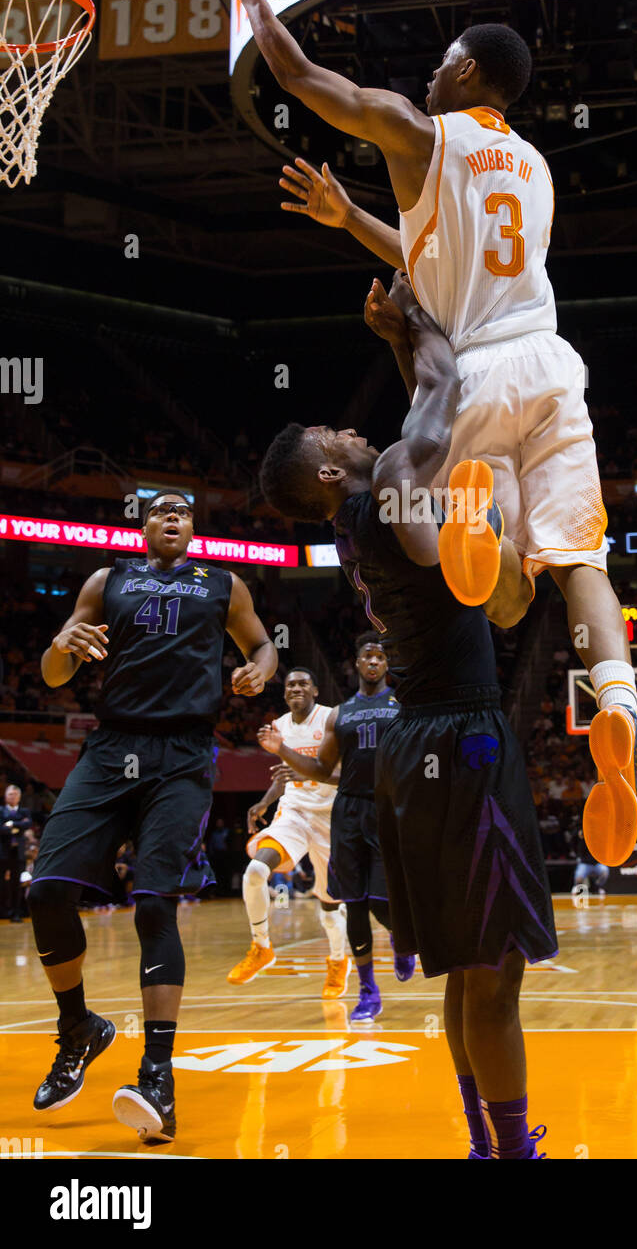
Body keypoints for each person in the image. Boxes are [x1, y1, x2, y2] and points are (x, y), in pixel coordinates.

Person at [222, 0, 637, 870]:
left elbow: (305, 78)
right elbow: (439, 252)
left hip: (472, 376)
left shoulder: (422, 133)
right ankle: (617, 703)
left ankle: (477, 536)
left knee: (498, 596)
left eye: (438, 64)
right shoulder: (534, 169)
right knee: (579, 564)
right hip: (552, 362)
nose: (425, 76)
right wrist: (353, 221)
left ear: (463, 72)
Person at [258, 271, 556, 1159]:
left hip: (414, 745)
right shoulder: (388, 474)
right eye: (332, 433)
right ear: (327, 470)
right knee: (494, 968)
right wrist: (422, 313)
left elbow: (426, 405)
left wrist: (401, 342)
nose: (351, 428)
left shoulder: (367, 517)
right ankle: (512, 1153)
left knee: (468, 967)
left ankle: (487, 1142)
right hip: (462, 734)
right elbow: (444, 389)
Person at [27, 490, 277, 1144]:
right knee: (47, 892)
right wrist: (63, 643)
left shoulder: (224, 584)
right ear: (143, 527)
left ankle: (158, 1077)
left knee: (153, 904)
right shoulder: (106, 580)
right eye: (161, 510)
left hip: (185, 754)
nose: (173, 517)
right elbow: (55, 674)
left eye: (184, 512)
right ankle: (78, 1027)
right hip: (111, 747)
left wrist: (259, 670)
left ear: (193, 528)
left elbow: (261, 649)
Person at [258, 636, 413, 1023]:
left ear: (386, 664)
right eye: (367, 656)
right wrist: (282, 750)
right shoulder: (339, 714)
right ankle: (368, 991)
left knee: (381, 901)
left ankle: (403, 940)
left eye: (380, 656)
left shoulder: (402, 706)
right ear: (357, 664)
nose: (374, 662)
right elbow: (323, 770)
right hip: (347, 812)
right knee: (354, 904)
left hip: (387, 811)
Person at [228, 669, 350, 999]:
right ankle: (261, 946)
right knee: (255, 871)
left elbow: (347, 774)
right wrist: (265, 802)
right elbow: (283, 777)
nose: (296, 688)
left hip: (330, 817)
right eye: (290, 684)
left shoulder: (332, 719)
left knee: (328, 904)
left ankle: (338, 962)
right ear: (285, 694)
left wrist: (301, 770)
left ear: (315, 690)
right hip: (293, 813)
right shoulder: (280, 726)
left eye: (302, 683)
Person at [1, 783, 33, 921]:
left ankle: (16, 912)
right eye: (10, 794)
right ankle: (3, 911)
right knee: (1, 883)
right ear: (5, 796)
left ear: (19, 797)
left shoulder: (25, 811)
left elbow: (28, 824)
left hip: (18, 852)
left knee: (17, 883)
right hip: (3, 852)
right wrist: (19, 825)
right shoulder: (1, 810)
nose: (12, 797)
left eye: (15, 794)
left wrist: (11, 824)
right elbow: (0, 829)